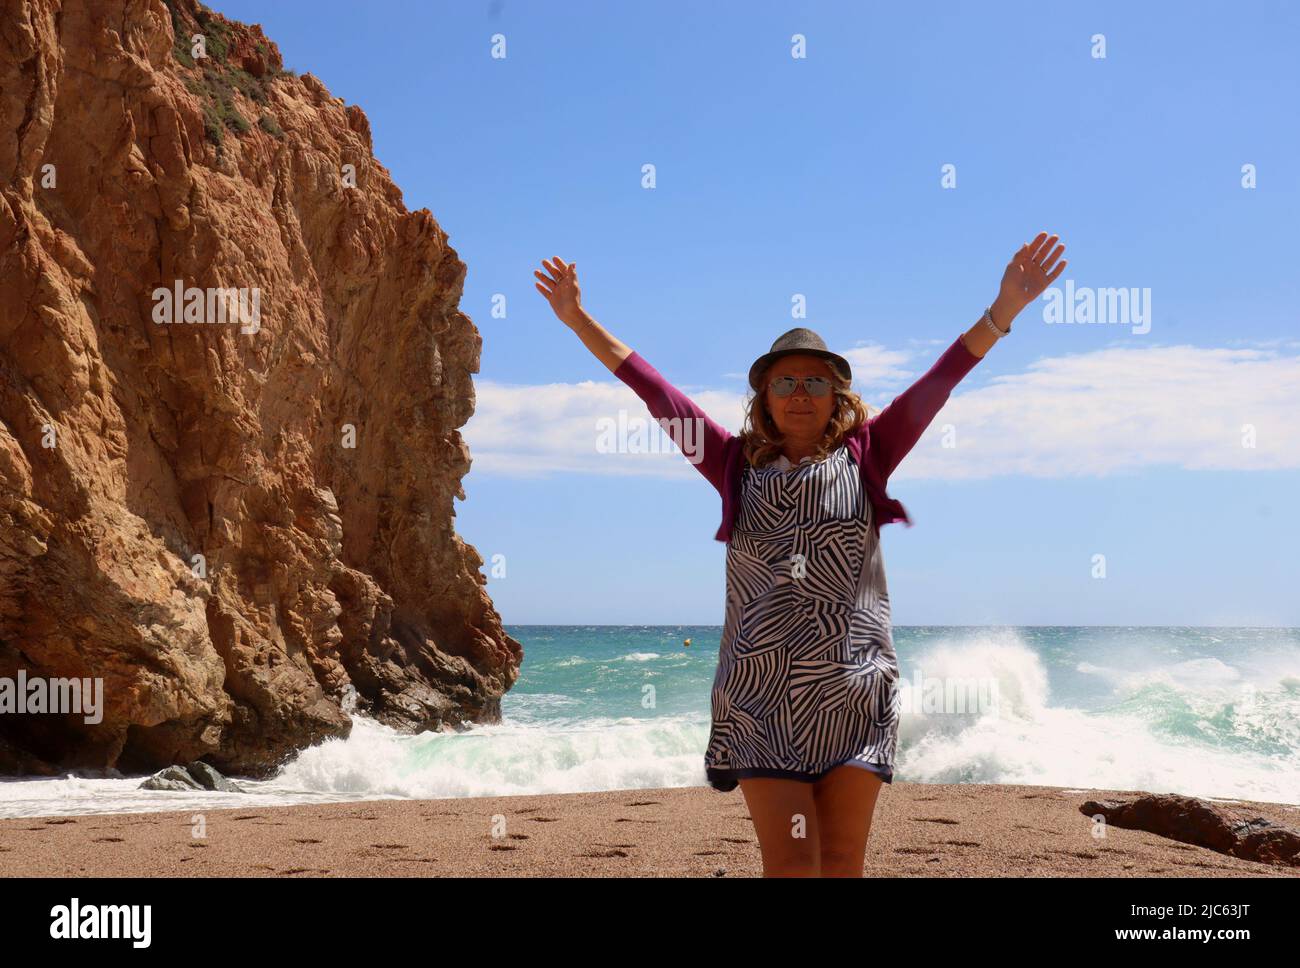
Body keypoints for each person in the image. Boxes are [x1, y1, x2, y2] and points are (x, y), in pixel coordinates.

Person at [533, 233, 1067, 876]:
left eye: (815, 380)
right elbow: (654, 391)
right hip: (761, 697)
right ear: (764, 397)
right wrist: (577, 319)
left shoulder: (870, 452)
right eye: (785, 380)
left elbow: (941, 380)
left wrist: (1002, 310)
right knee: (790, 867)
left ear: (836, 394)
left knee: (841, 864)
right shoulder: (730, 464)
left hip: (853, 690)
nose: (800, 391)